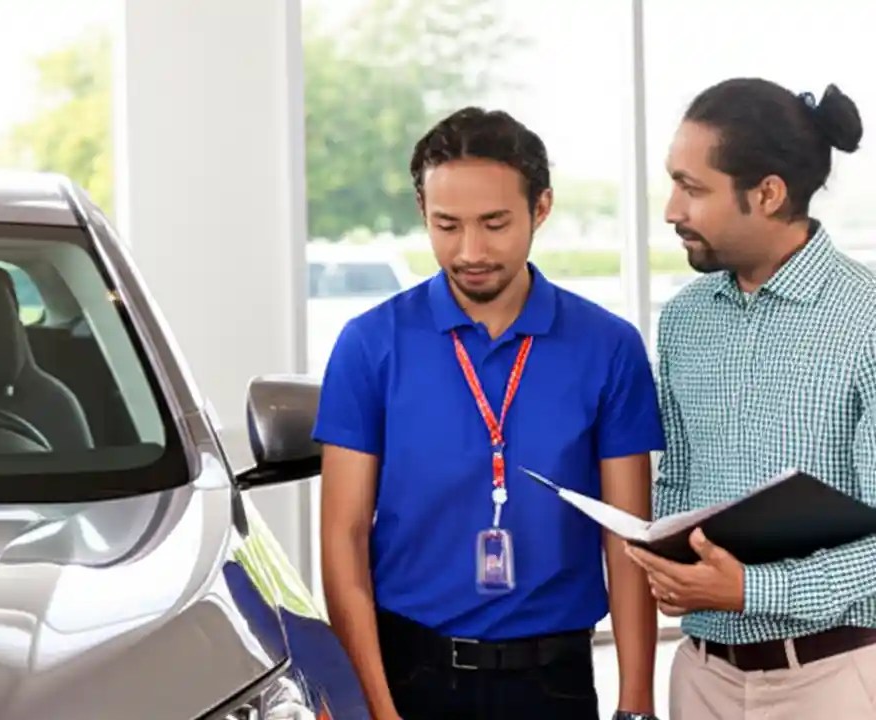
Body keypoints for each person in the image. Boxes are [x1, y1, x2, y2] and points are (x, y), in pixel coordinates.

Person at [313, 106, 664, 720]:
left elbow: (627, 534)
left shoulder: (608, 346)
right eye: (447, 225)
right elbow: (343, 538)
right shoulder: (370, 345)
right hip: (410, 671)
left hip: (555, 681)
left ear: (542, 208)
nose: (470, 251)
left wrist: (636, 702)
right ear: (423, 212)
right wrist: (373, 706)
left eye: (495, 224)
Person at [628, 78, 876, 718]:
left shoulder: (867, 319)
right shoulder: (684, 319)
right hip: (701, 676)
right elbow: (679, 478)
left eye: (693, 187)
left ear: (767, 194)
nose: (671, 210)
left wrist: (751, 589)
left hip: (833, 679)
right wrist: (668, 559)